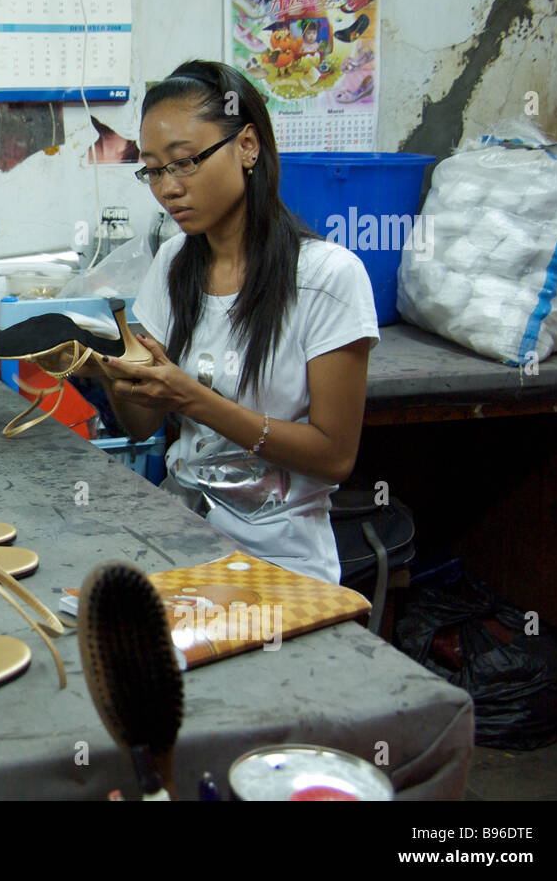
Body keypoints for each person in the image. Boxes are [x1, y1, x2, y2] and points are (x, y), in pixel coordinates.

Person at [77, 60, 378, 583]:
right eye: (152, 169)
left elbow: (334, 456)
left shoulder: (329, 277)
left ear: (247, 146)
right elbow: (143, 425)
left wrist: (191, 398)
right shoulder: (174, 261)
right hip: (182, 534)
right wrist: (119, 374)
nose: (167, 188)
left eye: (185, 162)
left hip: (281, 557)